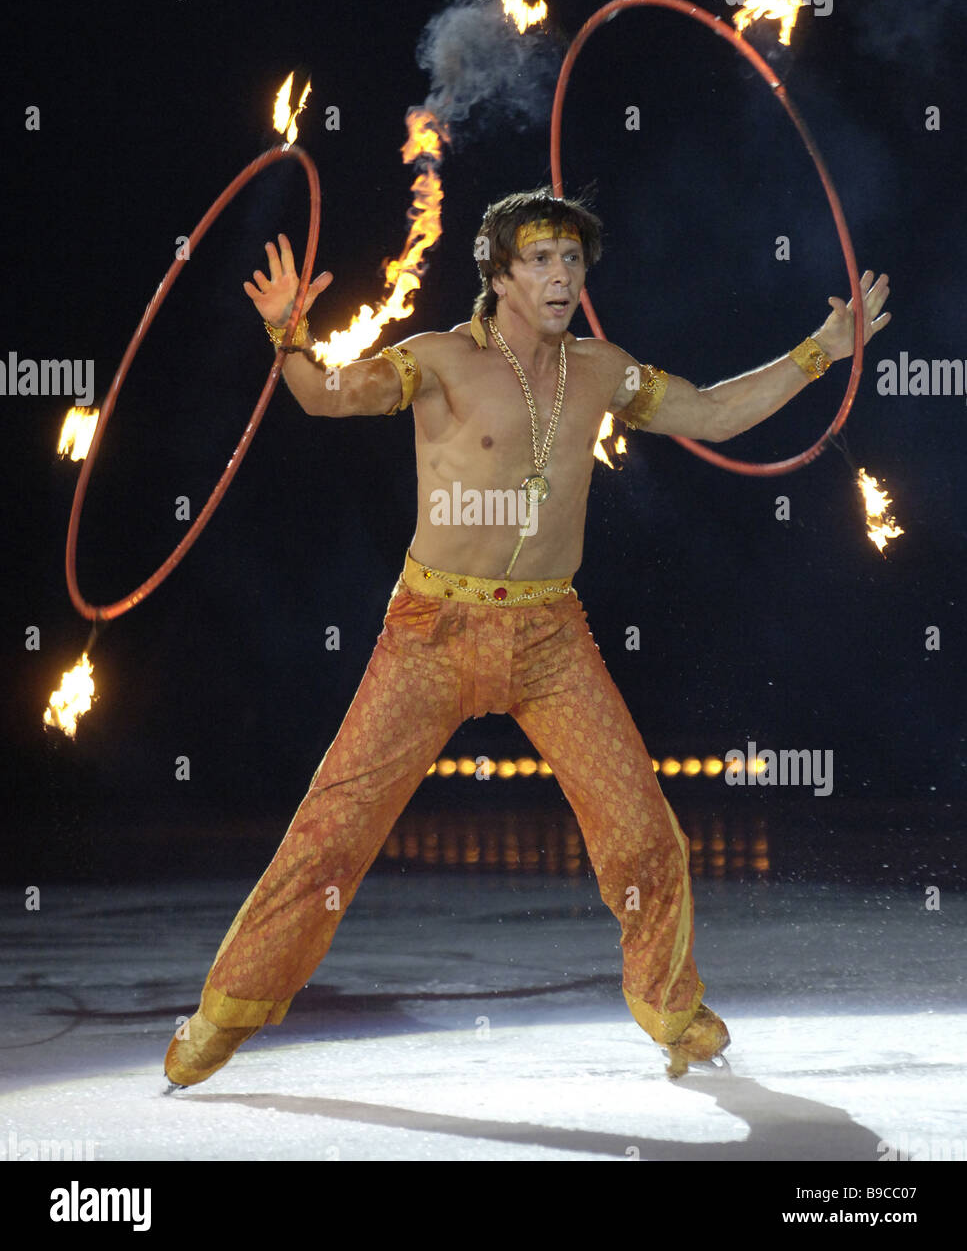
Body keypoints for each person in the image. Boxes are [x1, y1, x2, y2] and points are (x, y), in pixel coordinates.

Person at [164, 188, 891, 1088]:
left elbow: (710, 414)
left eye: (572, 261)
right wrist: (290, 333)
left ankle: (671, 1009)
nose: (561, 275)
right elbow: (325, 397)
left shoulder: (600, 370)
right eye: (541, 259)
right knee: (330, 834)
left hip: (551, 633)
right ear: (499, 273)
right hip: (430, 629)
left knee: (641, 829)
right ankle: (224, 1013)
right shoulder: (437, 358)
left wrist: (822, 350)